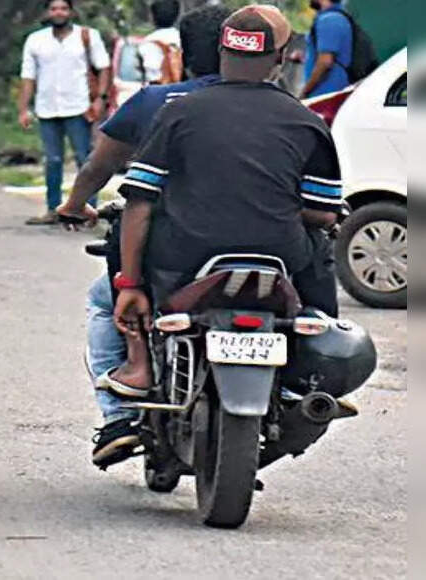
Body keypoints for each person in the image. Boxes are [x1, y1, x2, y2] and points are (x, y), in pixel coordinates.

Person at [105, 4, 342, 463]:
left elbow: (140, 201)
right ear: (281, 57)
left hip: (186, 259)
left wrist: (130, 286)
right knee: (321, 245)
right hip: (280, 258)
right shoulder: (306, 121)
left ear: (220, 52)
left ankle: (139, 360)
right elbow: (323, 213)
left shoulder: (179, 112)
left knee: (124, 228)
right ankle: (315, 355)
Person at [51, 4, 232, 467]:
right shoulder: (273, 105)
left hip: (173, 252)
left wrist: (74, 207)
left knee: (104, 299)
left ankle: (119, 416)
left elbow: (99, 167)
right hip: (266, 248)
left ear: (183, 55)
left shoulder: (157, 103)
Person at [18, 0, 111, 225]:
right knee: (53, 160)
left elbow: (104, 67)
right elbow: (28, 76)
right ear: (47, 13)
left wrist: (101, 98)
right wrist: (23, 108)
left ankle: (87, 210)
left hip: (78, 107)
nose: (58, 13)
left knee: (84, 159)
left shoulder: (87, 36)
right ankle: (53, 209)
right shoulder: (36, 40)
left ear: (71, 12)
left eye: (63, 8)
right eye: (54, 9)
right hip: (47, 108)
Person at [300, 0, 354, 98]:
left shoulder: (329, 20)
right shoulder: (335, 17)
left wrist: (305, 91)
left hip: (325, 94)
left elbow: (325, 62)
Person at [138, 0, 183, 85]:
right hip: (181, 89)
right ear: (176, 16)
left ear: (153, 17)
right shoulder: (182, 38)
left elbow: (142, 72)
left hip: (154, 89)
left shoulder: (147, 42)